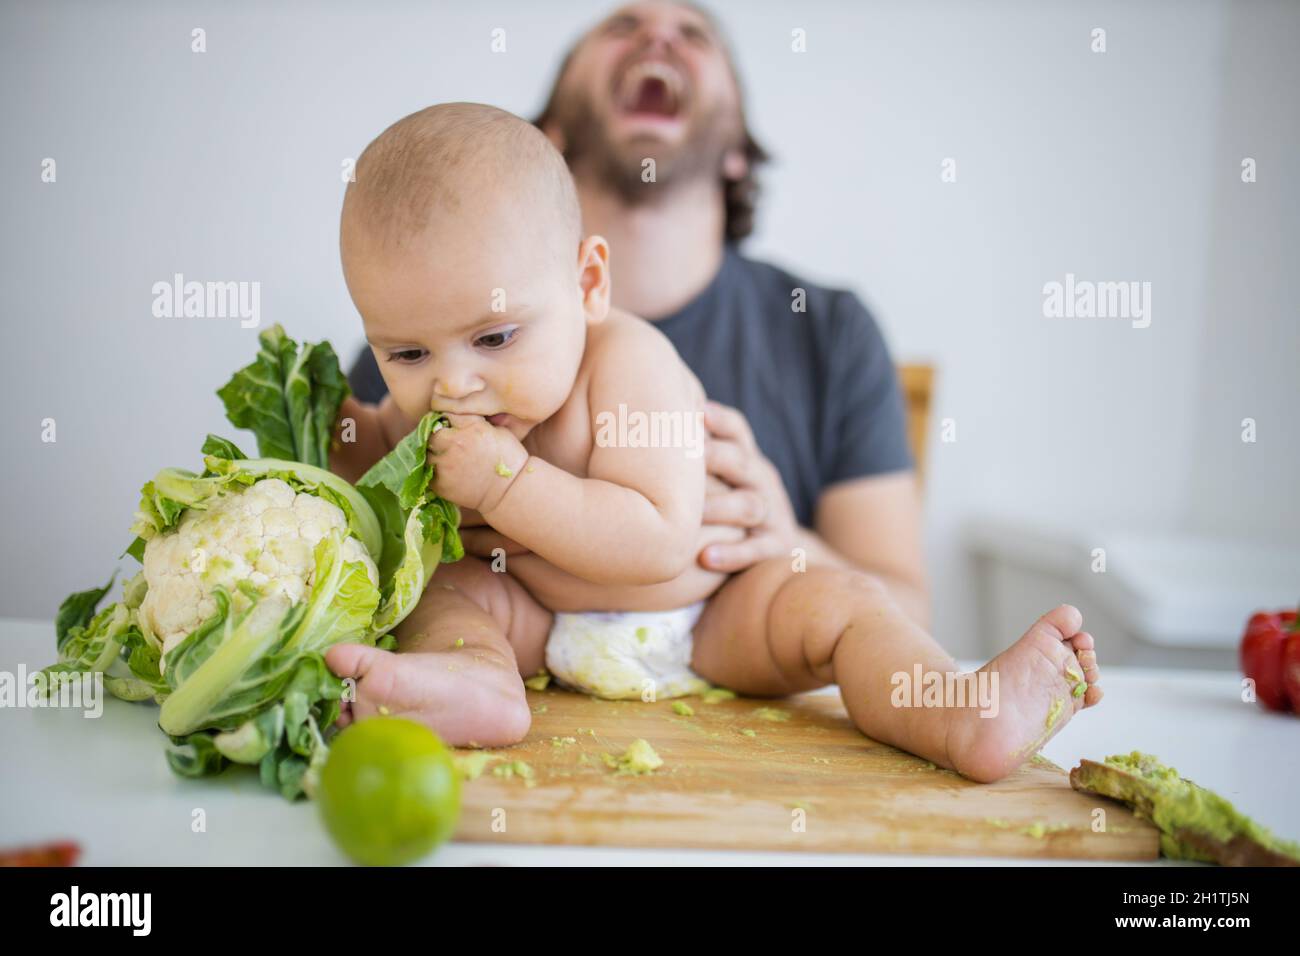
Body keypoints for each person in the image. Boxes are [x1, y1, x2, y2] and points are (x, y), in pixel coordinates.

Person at [325, 102, 1102, 783]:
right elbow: (376, 462)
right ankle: (478, 683)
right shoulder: (440, 406)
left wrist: (503, 486)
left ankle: (962, 713)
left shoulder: (630, 363)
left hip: (709, 618)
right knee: (451, 596)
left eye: (493, 336)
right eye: (408, 354)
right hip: (539, 629)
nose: (452, 386)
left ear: (588, 285)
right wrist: (339, 441)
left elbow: (658, 540)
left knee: (841, 606)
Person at [348, 1, 931, 627]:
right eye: (622, 27)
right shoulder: (420, 335)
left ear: (739, 149)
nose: (657, 36)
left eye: (694, 35)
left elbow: (910, 617)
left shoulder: (829, 332)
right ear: (553, 133)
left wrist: (785, 542)